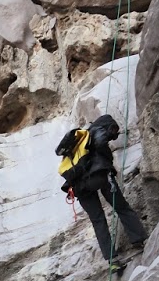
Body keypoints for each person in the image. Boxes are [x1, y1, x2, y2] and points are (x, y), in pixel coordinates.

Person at [58, 113, 147, 264]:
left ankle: (112, 260)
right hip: (98, 176)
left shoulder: (78, 143)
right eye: (113, 131)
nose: (113, 135)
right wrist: (108, 161)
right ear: (108, 126)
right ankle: (139, 239)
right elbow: (100, 143)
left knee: (98, 220)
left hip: (78, 187)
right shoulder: (97, 130)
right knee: (121, 207)